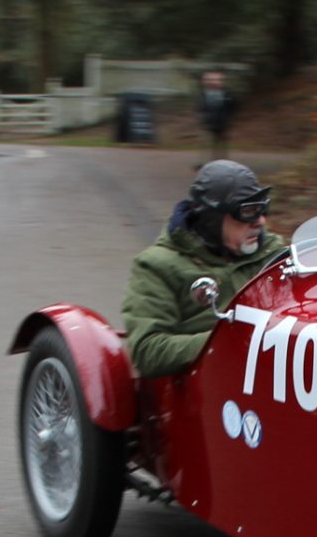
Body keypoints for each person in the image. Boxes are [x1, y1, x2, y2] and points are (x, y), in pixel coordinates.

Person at [122, 160, 285, 378]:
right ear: (213, 219)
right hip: (210, 385)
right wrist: (227, 340)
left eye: (263, 209)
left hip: (275, 372)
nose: (260, 221)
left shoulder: (274, 252)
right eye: (247, 211)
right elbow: (148, 350)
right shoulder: (157, 265)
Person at [196, 70, 235, 160]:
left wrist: (228, 118)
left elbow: (232, 107)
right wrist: (203, 119)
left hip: (222, 123)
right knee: (206, 145)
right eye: (210, 79)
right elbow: (200, 108)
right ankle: (206, 164)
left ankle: (222, 164)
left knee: (221, 146)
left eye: (216, 79)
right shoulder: (202, 94)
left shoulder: (227, 94)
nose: (213, 82)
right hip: (207, 124)